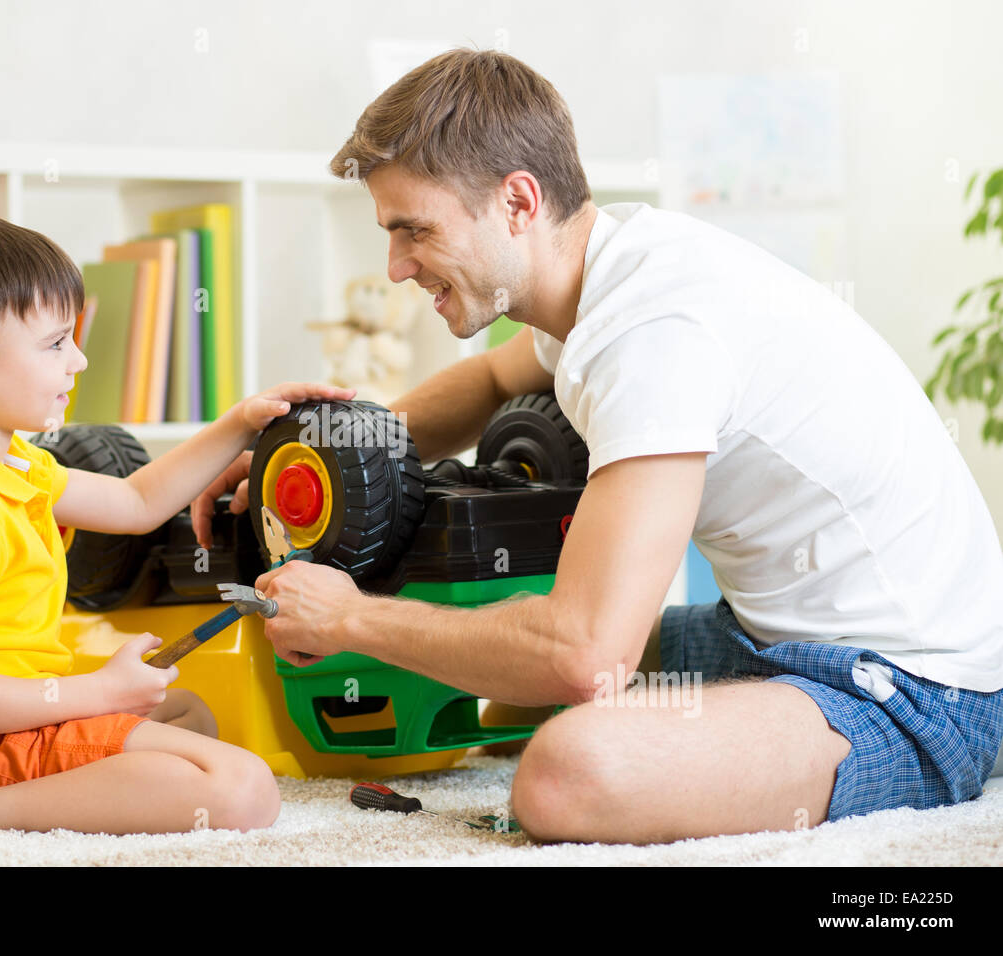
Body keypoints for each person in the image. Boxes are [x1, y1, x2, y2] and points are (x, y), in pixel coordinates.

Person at [192, 49, 1003, 845]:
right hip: (763, 635)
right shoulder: (609, 271)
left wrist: (354, 621)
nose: (398, 266)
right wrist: (323, 456)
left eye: (416, 230)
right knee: (504, 658)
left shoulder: (651, 333)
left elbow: (584, 655)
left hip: (913, 691)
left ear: (517, 201)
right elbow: (485, 387)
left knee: (568, 770)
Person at [0, 210, 353, 840]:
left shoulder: (3, 460)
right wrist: (95, 692)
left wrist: (241, 423)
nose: (80, 360)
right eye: (56, 343)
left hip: (0, 721)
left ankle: (21, 793)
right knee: (243, 790)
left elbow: (136, 501)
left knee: (190, 716)